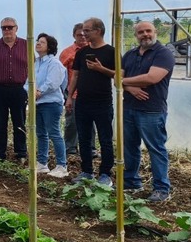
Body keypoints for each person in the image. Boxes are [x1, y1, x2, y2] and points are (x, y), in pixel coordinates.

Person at [121, 21, 177, 202]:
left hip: (151, 110)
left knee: (156, 148)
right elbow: (116, 78)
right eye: (140, 32)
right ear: (136, 35)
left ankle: (161, 188)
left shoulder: (163, 54)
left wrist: (125, 82)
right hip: (129, 107)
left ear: (155, 32)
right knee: (129, 147)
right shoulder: (129, 54)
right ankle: (131, 181)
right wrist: (129, 88)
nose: (145, 34)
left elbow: (152, 78)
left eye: (148, 31)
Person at [66, 17, 117, 186]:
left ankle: (105, 174)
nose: (83, 33)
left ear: (99, 31)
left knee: (105, 139)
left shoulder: (111, 52)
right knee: (84, 138)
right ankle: (87, 171)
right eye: (83, 30)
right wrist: (69, 97)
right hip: (82, 102)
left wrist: (101, 69)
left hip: (102, 103)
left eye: (87, 30)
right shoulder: (81, 52)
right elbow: (76, 75)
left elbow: (119, 75)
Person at [0, 17, 29, 162]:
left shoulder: (26, 45)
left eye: (10, 27)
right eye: (4, 28)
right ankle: (0, 153)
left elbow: (34, 69)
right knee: (0, 123)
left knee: (19, 122)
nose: (7, 30)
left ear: (16, 28)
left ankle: (21, 152)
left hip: (19, 89)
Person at [28, 33, 69, 178]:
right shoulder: (36, 63)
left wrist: (39, 91)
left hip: (51, 103)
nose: (38, 44)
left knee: (54, 133)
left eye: (42, 42)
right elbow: (28, 81)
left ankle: (61, 165)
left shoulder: (54, 63)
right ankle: (42, 163)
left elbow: (53, 83)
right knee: (41, 133)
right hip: (38, 102)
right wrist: (30, 91)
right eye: (38, 41)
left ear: (49, 47)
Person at [57, 22, 88, 156]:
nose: (82, 37)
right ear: (74, 35)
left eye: (84, 34)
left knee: (90, 122)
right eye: (79, 35)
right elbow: (60, 73)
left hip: (89, 92)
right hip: (72, 92)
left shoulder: (93, 50)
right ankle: (70, 148)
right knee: (72, 121)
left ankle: (90, 148)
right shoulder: (67, 53)